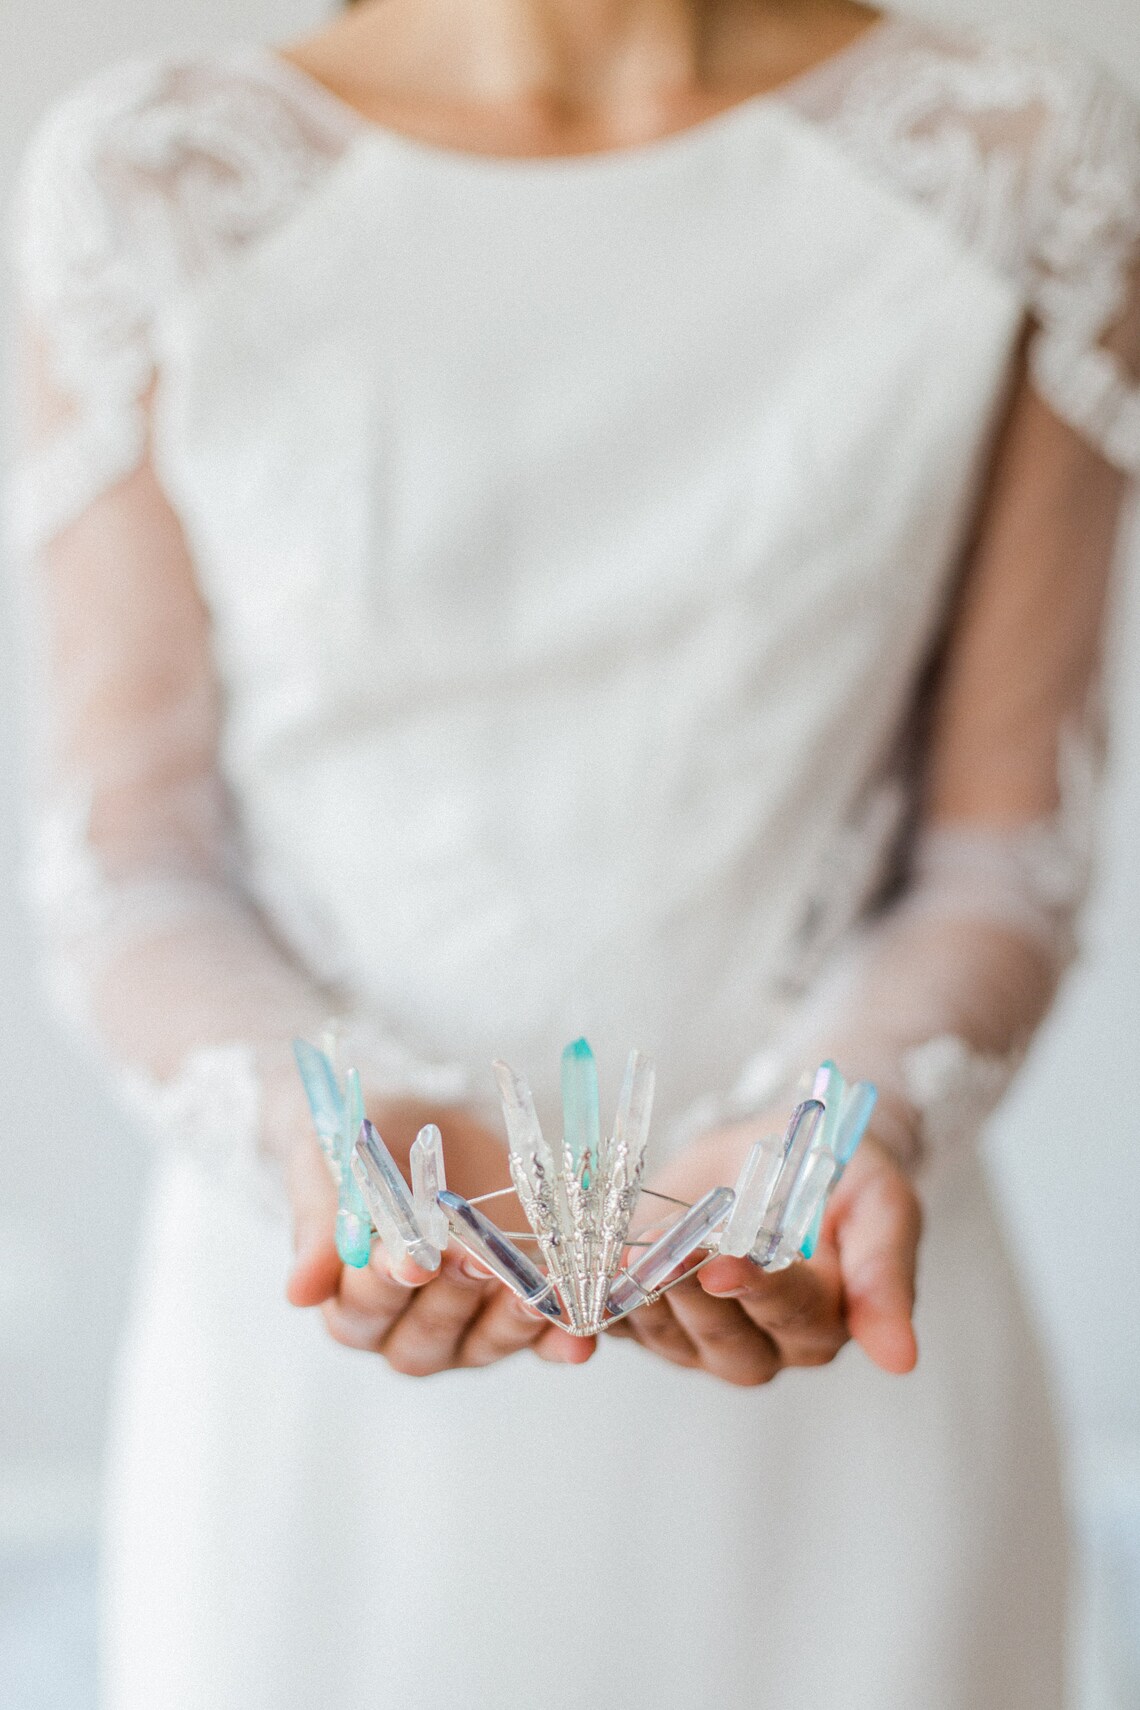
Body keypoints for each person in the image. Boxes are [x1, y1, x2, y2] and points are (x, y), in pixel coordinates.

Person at [9, 0, 1139, 1705]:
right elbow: (138, 859)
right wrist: (322, 1130)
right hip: (325, 1360)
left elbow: (1002, 849)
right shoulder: (153, 179)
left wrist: (840, 1130)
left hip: (832, 1327)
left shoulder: (1019, 148)